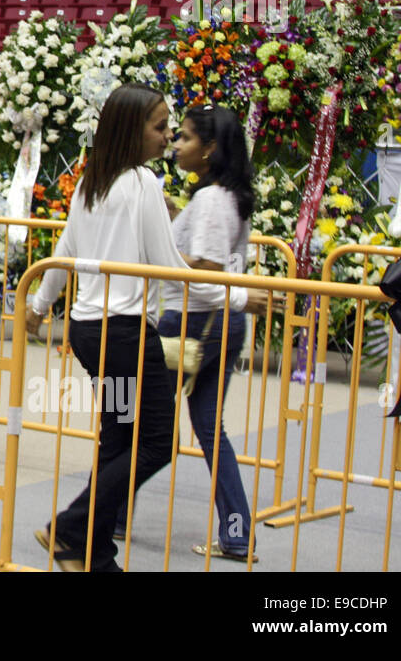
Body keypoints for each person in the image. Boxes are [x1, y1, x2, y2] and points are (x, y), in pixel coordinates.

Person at [25, 83, 263, 571]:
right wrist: (239, 296)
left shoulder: (94, 182)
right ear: (133, 130)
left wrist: (38, 304)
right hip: (125, 336)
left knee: (118, 436)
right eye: (160, 127)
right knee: (155, 442)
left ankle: (90, 551)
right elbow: (171, 268)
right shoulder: (142, 184)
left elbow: (63, 255)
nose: (168, 136)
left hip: (91, 334)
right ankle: (71, 528)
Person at [154, 105, 261, 562]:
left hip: (194, 323)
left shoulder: (213, 200)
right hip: (212, 323)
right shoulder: (217, 198)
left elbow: (207, 272)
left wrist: (160, 261)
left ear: (211, 148)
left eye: (184, 137)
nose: (176, 144)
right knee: (207, 429)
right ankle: (236, 534)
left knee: (138, 422)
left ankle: (105, 513)